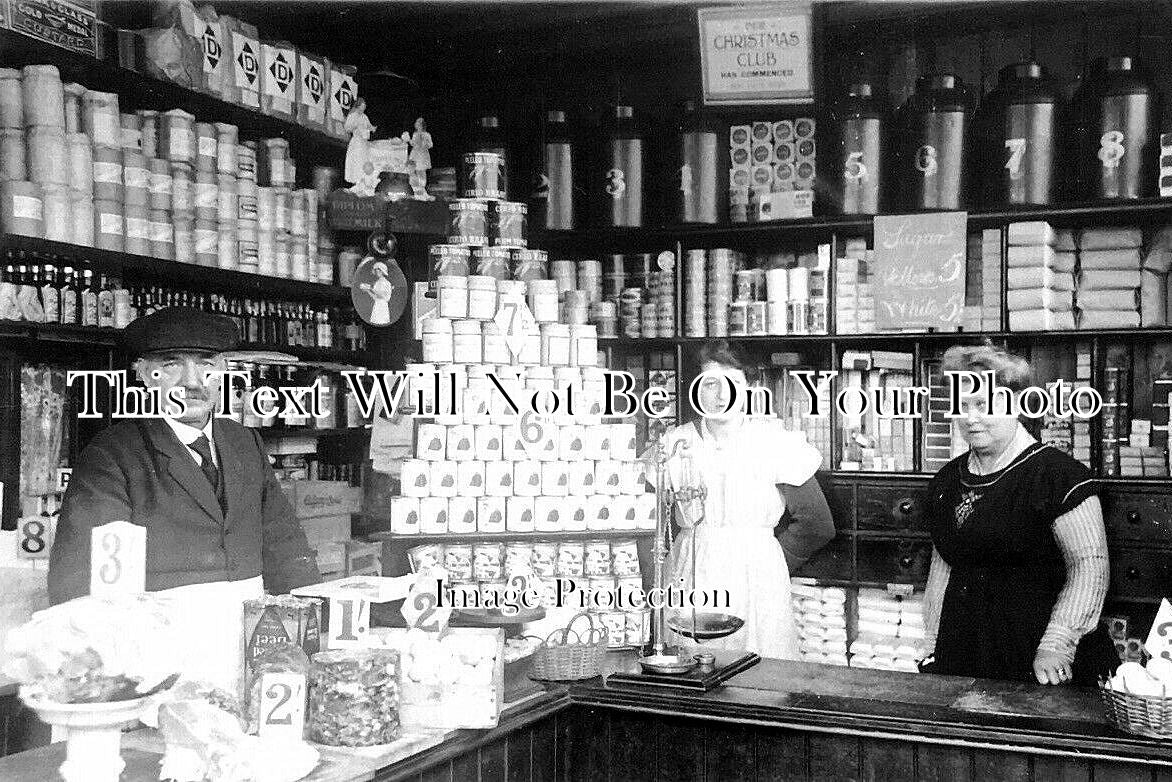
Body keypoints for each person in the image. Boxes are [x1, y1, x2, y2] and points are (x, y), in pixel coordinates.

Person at [49, 307, 321, 604]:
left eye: (206, 364)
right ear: (144, 375)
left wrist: (311, 622)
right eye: (172, 365)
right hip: (159, 642)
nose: (192, 382)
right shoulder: (111, 454)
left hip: (249, 637)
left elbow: (287, 548)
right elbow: (80, 588)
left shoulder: (245, 442)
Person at [919, 344, 1118, 685]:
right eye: (961, 406)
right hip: (964, 648)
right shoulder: (947, 479)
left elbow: (1089, 565)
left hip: (1035, 653)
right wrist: (932, 638)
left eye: (983, 404)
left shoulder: (1058, 476)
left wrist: (1058, 644)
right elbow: (944, 562)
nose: (971, 417)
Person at [659, 340, 834, 659]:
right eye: (711, 383)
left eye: (733, 383)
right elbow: (649, 521)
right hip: (690, 571)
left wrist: (766, 559)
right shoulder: (675, 442)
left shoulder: (772, 441)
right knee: (689, 672)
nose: (722, 395)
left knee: (758, 672)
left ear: (749, 387)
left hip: (756, 574)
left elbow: (818, 524)